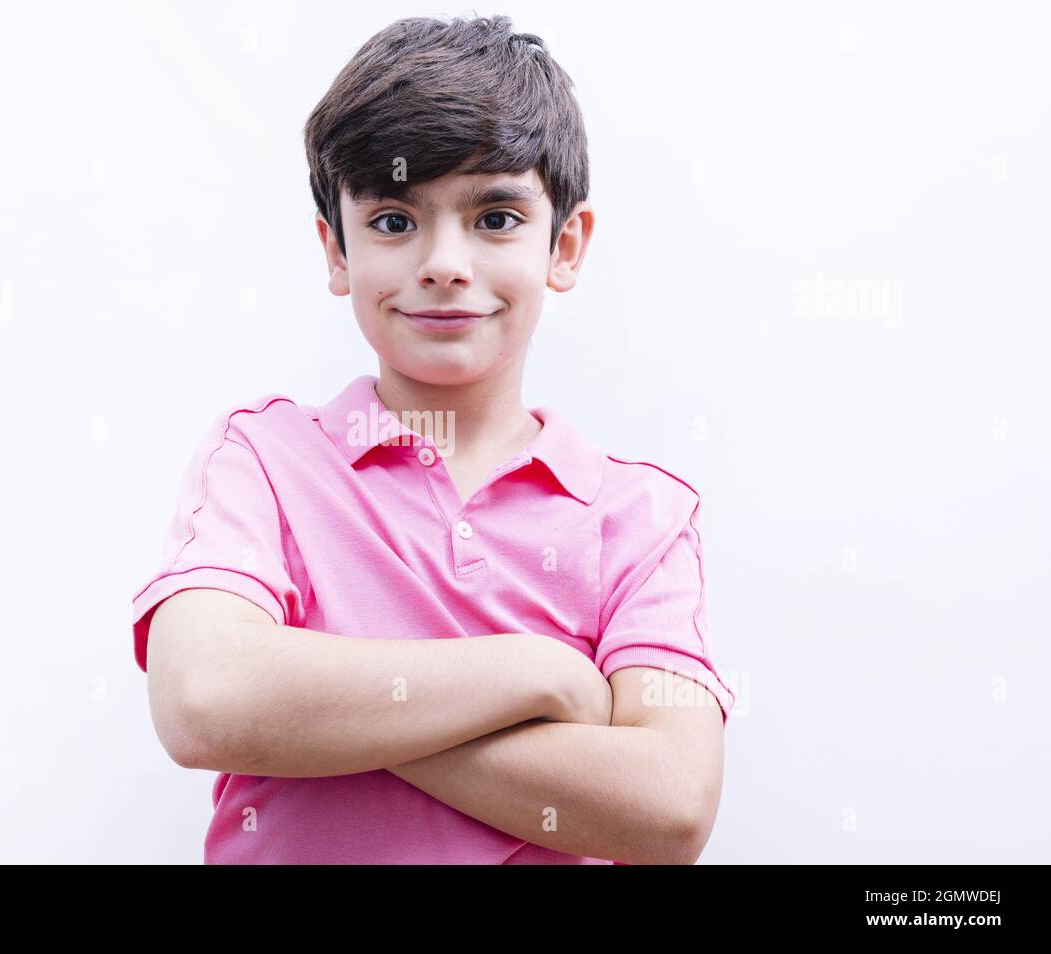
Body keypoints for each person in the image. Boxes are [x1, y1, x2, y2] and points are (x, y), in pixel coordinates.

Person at [131, 14, 734, 864]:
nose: (444, 262)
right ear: (334, 251)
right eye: (392, 221)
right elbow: (202, 698)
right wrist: (539, 676)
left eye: (494, 218)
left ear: (565, 246)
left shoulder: (641, 518)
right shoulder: (263, 463)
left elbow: (668, 808)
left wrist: (318, 717)